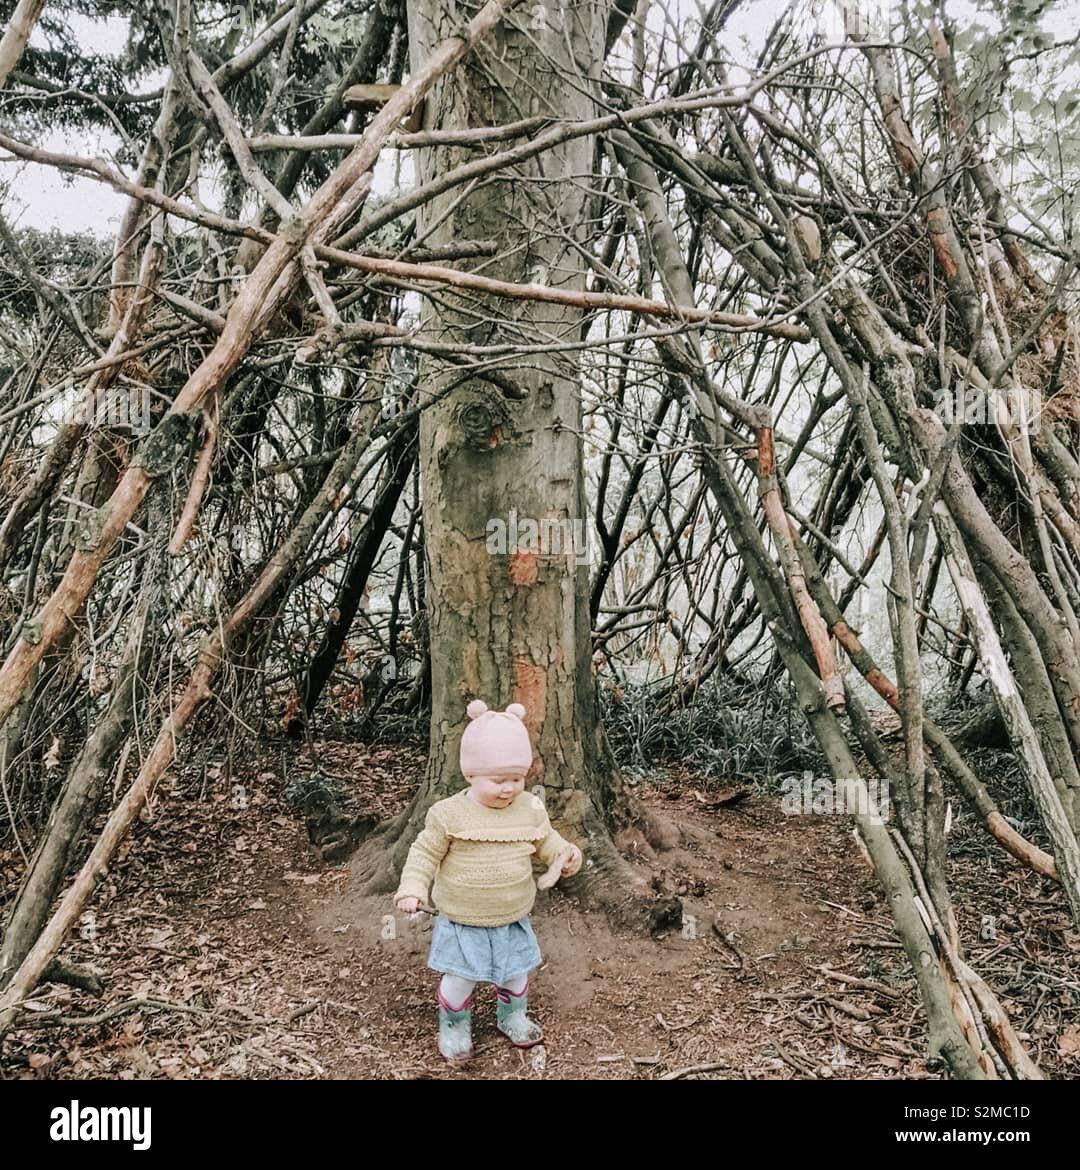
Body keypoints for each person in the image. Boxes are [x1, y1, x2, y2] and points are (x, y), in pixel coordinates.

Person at [394, 699, 583, 1063]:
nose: (508, 788)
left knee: (515, 975)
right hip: (463, 920)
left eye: (516, 778)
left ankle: (512, 1016)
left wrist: (566, 855)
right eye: (497, 780)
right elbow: (424, 854)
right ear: (470, 774)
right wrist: (413, 889)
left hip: (511, 916)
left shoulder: (529, 808)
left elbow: (547, 842)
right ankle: (454, 1025)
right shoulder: (449, 814)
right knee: (460, 978)